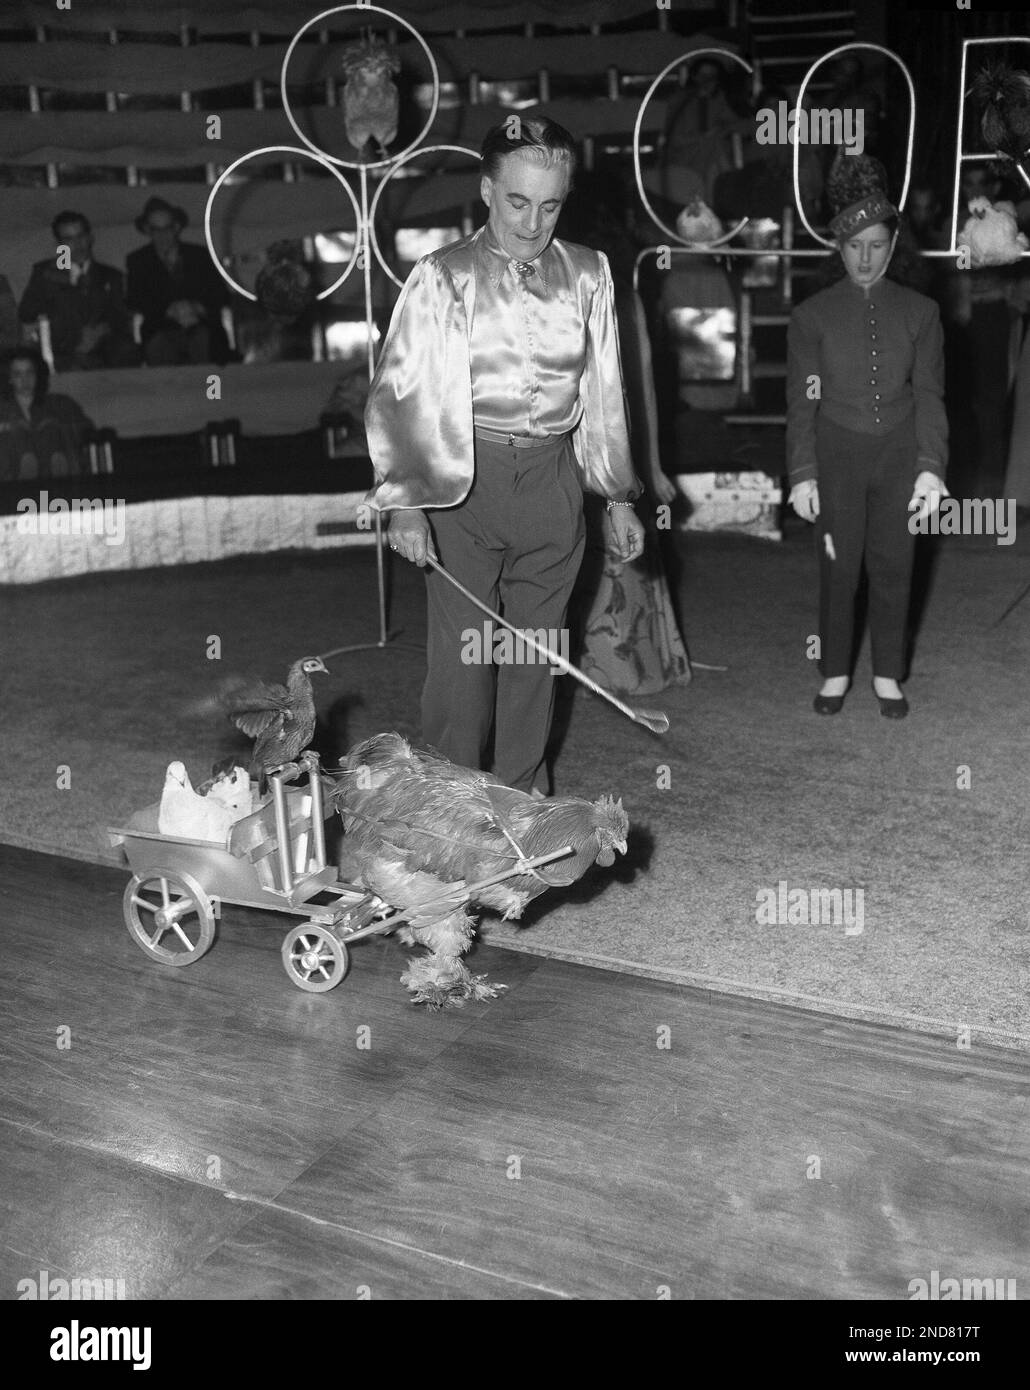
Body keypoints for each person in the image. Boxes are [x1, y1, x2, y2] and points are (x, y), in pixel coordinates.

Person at [364, 116, 645, 793]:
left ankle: (522, 805)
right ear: (487, 190)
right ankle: (449, 806)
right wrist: (404, 503)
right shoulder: (442, 276)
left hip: (553, 488)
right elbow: (403, 392)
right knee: (463, 666)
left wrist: (617, 496)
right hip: (465, 488)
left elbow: (604, 390)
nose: (531, 221)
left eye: (550, 205)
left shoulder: (590, 274)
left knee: (534, 656)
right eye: (517, 201)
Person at [786, 154, 948, 719]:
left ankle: (887, 672)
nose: (864, 257)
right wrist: (803, 473)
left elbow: (930, 393)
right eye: (854, 245)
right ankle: (834, 671)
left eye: (877, 245)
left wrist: (932, 465)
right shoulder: (811, 316)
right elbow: (803, 400)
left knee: (894, 562)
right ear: (838, 245)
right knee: (839, 566)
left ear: (893, 243)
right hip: (837, 454)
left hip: (900, 453)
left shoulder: (922, 312)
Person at [558, 175, 690, 696]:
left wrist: (650, 468)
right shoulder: (622, 295)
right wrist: (651, 466)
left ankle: (573, 669)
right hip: (610, 440)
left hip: (574, 444)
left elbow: (641, 389)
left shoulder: (590, 291)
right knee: (615, 552)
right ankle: (619, 666)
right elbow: (646, 393)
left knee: (589, 554)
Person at [17, 210, 137, 372]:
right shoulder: (46, 272)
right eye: (69, 239)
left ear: (90, 238)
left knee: (124, 349)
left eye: (81, 236)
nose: (77, 244)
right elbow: (26, 313)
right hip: (61, 349)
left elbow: (121, 318)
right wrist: (57, 270)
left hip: (103, 350)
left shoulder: (109, 275)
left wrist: (101, 329)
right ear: (60, 246)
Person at [125, 196, 231, 366]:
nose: (163, 235)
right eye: (156, 229)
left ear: (176, 227)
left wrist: (196, 308)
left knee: (205, 342)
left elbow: (220, 294)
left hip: (201, 325)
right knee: (160, 347)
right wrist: (169, 311)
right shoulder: (138, 261)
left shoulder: (199, 255)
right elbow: (135, 300)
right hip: (160, 329)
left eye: (167, 228)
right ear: (147, 230)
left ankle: (211, 393)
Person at [0, 347, 93, 482]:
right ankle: (24, 472)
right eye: (18, 374)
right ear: (9, 378)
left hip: (55, 469)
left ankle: (60, 468)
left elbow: (85, 431)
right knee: (14, 432)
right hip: (12, 477)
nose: (25, 380)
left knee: (51, 428)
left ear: (38, 375)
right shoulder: (3, 409)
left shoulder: (61, 404)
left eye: (29, 372)